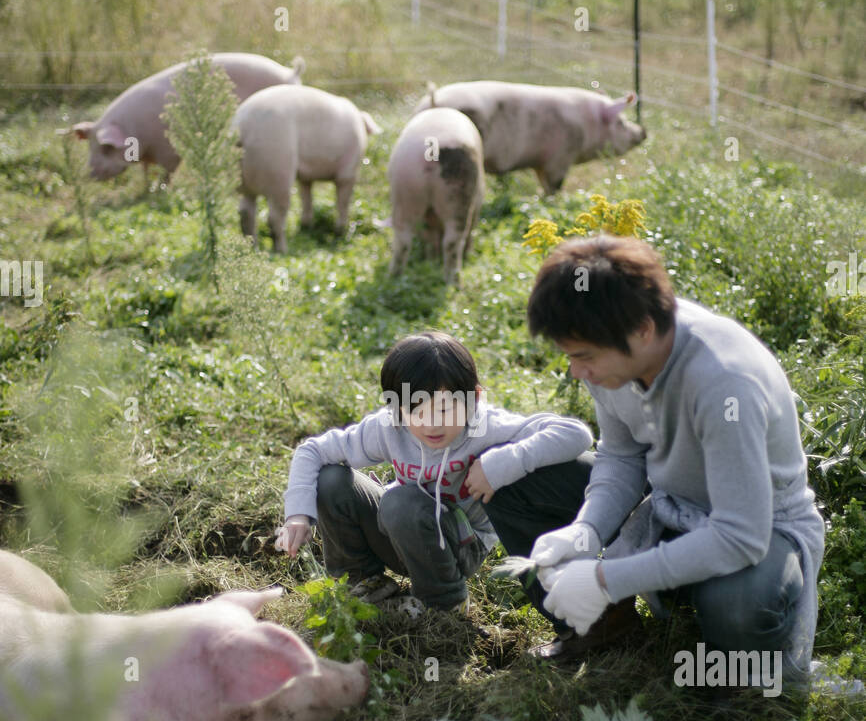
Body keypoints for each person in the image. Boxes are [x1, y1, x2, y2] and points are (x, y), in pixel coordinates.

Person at [508, 233, 824, 683]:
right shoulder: (612, 353)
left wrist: (606, 579)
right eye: (570, 357)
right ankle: (608, 624)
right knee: (519, 484)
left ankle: (741, 675)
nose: (577, 372)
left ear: (643, 330)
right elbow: (620, 455)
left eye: (584, 357)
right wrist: (587, 529)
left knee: (738, 604)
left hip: (762, 527)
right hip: (670, 506)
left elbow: (740, 536)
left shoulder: (724, 382)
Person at [275, 330, 595, 614]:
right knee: (332, 478)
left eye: (445, 409)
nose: (432, 424)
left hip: (458, 546)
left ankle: (444, 600)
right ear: (395, 406)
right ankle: (365, 582)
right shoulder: (389, 427)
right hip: (400, 531)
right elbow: (312, 450)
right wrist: (298, 515)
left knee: (401, 501)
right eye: (416, 410)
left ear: (475, 399)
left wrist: (504, 463)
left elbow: (576, 435)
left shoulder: (486, 427)